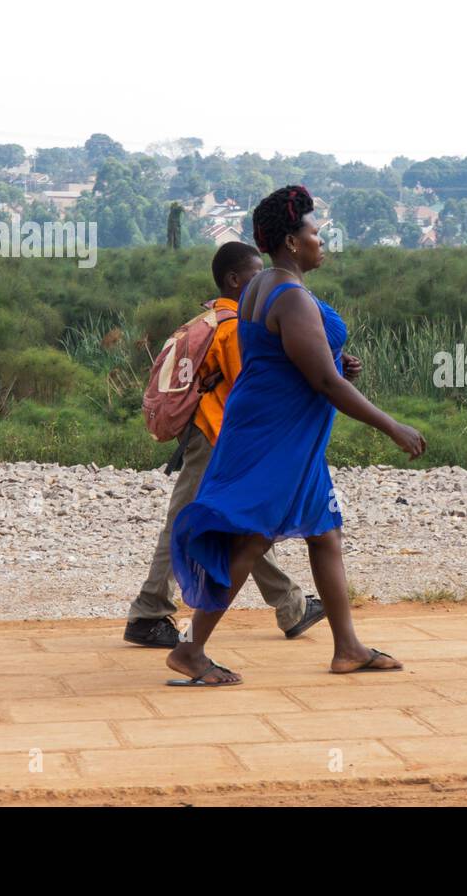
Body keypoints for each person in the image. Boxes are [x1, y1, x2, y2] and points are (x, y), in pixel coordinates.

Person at [167, 185, 426, 685]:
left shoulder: (262, 285)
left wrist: (332, 363)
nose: (321, 240)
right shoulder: (290, 296)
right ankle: (191, 648)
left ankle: (347, 646)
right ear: (290, 240)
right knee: (253, 537)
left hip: (276, 428)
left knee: (325, 533)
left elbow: (289, 361)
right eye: (314, 233)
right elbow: (323, 382)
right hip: (278, 437)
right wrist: (393, 426)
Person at [124, 241, 330, 648]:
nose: (264, 284)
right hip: (217, 437)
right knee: (187, 523)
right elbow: (254, 387)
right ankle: (149, 611)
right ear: (235, 280)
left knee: (241, 523)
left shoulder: (214, 319)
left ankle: (291, 605)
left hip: (211, 435)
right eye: (256, 277)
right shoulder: (235, 327)